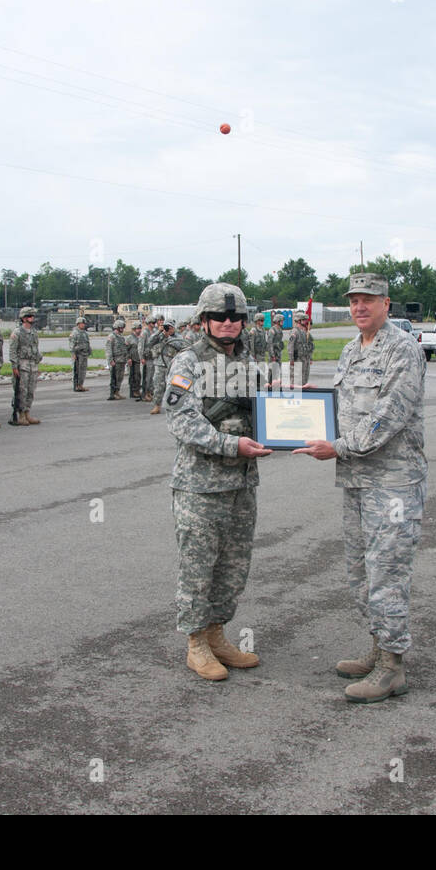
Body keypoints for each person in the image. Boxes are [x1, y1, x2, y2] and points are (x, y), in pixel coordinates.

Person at [295, 273, 427, 704]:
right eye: (353, 301)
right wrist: (305, 402)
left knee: (387, 572)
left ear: (387, 304)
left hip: (392, 484)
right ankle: (377, 647)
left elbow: (388, 418)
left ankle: (393, 667)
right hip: (356, 479)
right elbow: (346, 407)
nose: (359, 307)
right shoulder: (352, 350)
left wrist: (336, 446)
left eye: (368, 300)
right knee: (360, 571)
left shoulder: (403, 349)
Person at [164, 282, 271, 681]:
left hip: (242, 485)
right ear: (204, 320)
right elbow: (182, 422)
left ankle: (217, 633)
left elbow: (265, 405)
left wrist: (295, 402)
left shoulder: (248, 362)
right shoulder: (187, 362)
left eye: (236, 317)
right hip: (200, 485)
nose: (228, 323)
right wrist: (232, 446)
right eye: (220, 317)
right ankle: (196, 643)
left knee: (233, 566)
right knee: (198, 567)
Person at [8, 307, 43, 424]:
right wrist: (14, 366)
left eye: (32, 316)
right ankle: (21, 414)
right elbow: (12, 351)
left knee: (31, 391)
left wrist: (38, 362)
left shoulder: (34, 333)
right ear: (23, 318)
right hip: (22, 365)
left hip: (32, 365)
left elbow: (36, 349)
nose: (32, 318)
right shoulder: (17, 333)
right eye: (29, 316)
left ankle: (27, 412)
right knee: (21, 391)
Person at [288, 313, 315, 387]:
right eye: (304, 320)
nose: (306, 322)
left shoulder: (304, 332)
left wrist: (310, 358)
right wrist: (291, 360)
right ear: (299, 321)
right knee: (296, 381)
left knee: (304, 380)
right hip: (298, 360)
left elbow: (308, 346)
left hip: (305, 360)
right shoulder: (294, 332)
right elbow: (290, 347)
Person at [106, 319, 128, 400]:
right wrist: (110, 360)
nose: (122, 329)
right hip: (115, 361)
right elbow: (109, 349)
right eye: (120, 327)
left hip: (121, 360)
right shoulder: (112, 336)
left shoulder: (121, 337)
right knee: (114, 378)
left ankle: (117, 392)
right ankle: (113, 393)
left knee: (120, 377)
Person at [69, 316, 91, 391]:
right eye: (82, 323)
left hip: (84, 354)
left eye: (84, 324)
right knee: (77, 371)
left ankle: (81, 385)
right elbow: (72, 344)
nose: (83, 325)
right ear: (78, 324)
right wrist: (73, 354)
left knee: (83, 371)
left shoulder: (85, 333)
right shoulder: (74, 333)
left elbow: (87, 343)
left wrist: (89, 351)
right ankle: (76, 386)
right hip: (78, 354)